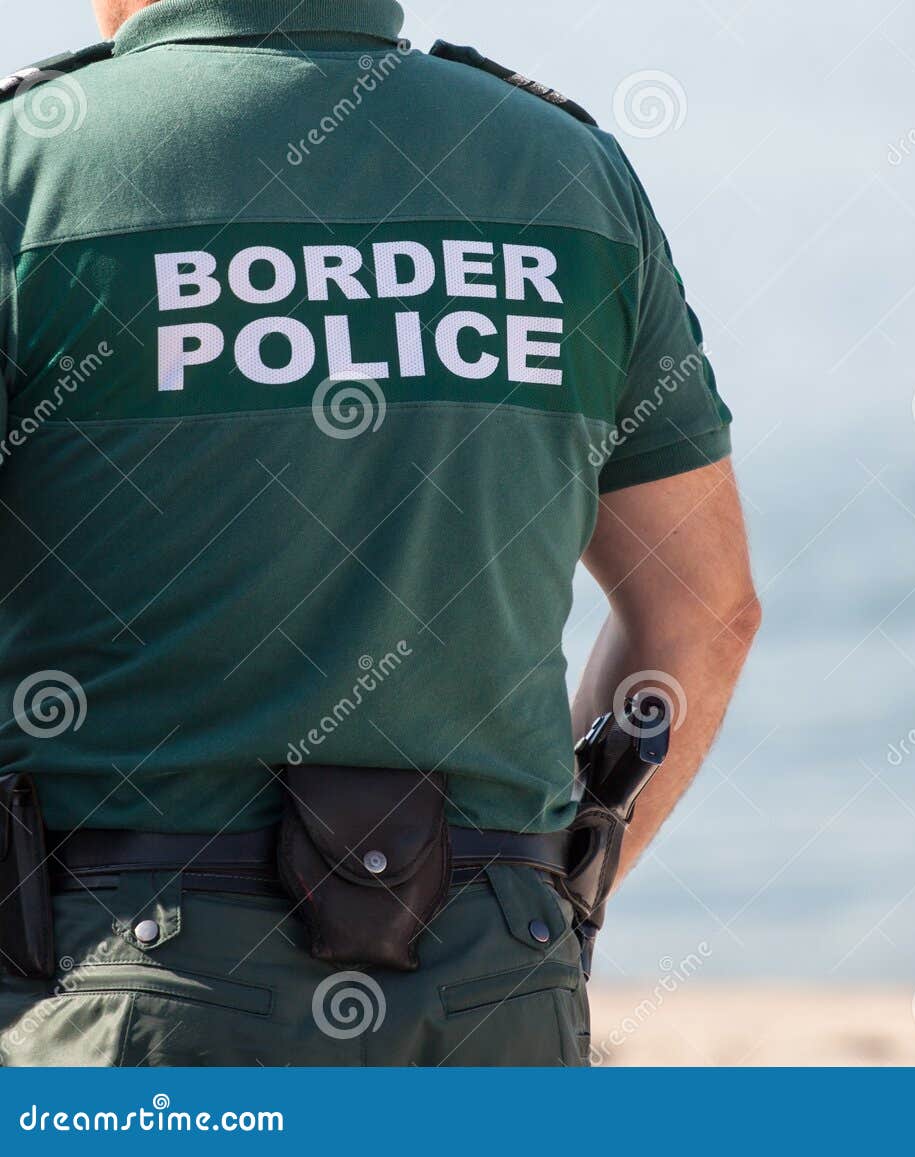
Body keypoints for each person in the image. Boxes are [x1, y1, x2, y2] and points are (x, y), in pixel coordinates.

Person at [0, 0, 759, 1066]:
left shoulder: (29, 165)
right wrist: (547, 889)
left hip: (127, 989)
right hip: (500, 987)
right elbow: (706, 614)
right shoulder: (565, 170)